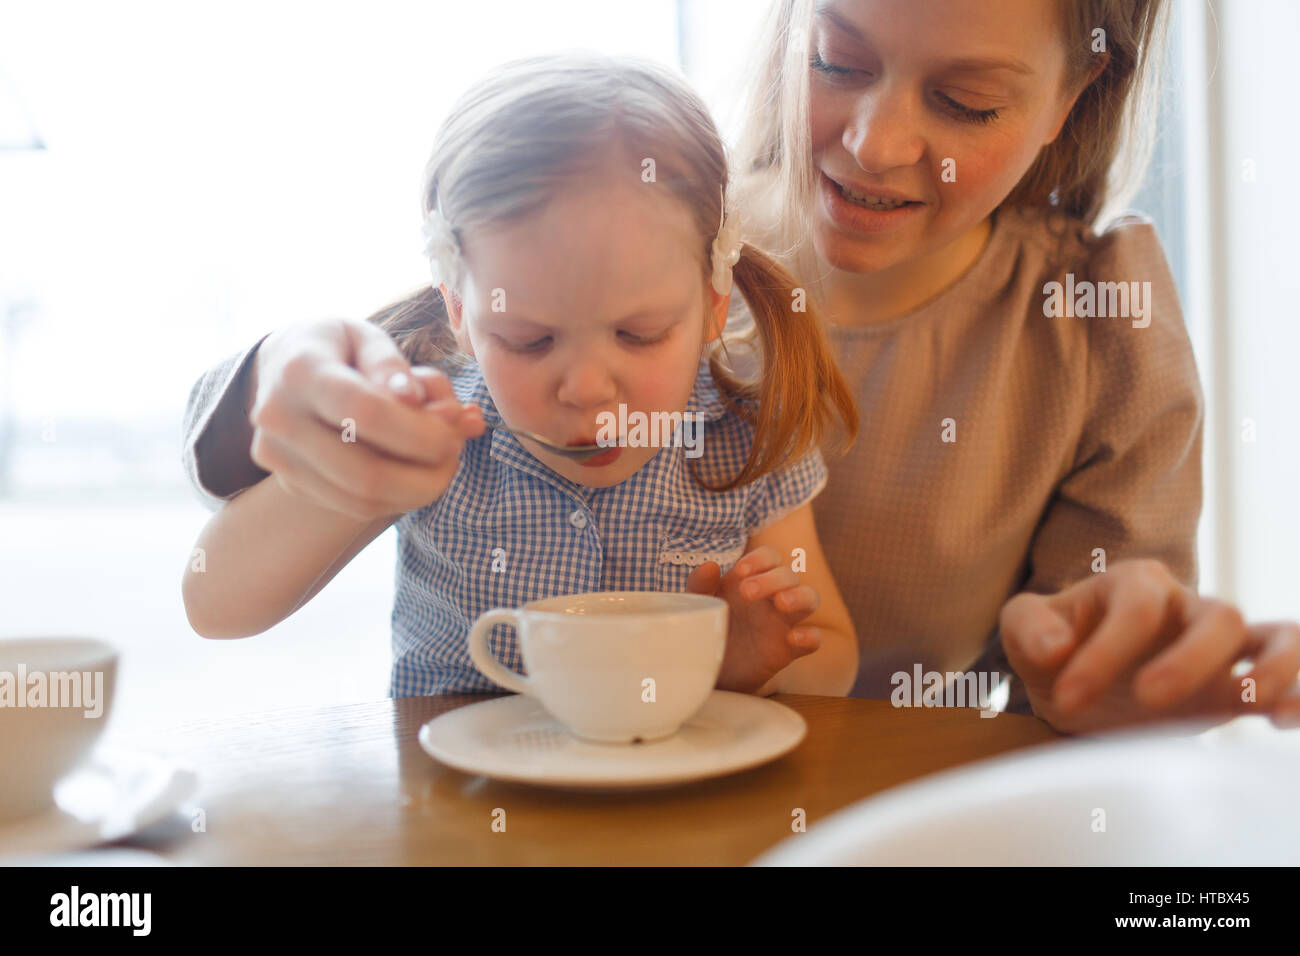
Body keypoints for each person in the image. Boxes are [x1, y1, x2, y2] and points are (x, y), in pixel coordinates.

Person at [181, 0, 1300, 734]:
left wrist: (1124, 674)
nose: (874, 141)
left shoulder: (1094, 324)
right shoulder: (636, 214)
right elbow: (307, 409)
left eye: (966, 101)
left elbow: (1107, 655)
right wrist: (295, 381)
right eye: (837, 59)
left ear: (1075, 98)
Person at [181, 53, 861, 699]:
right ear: (462, 313)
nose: (588, 388)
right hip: (457, 807)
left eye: (640, 334)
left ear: (715, 297)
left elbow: (834, 655)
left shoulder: (745, 437)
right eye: (528, 340)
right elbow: (217, 608)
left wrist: (748, 663)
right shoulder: (429, 430)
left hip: (670, 815)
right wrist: (355, 468)